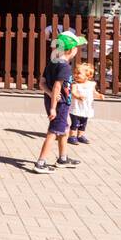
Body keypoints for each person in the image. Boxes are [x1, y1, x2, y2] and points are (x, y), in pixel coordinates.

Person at [33, 32, 87, 173]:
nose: (77, 50)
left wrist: (50, 95)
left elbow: (42, 83)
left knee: (64, 128)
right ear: (71, 50)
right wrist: (53, 107)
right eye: (76, 47)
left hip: (56, 103)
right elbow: (57, 86)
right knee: (53, 132)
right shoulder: (65, 67)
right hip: (59, 105)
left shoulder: (52, 63)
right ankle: (41, 162)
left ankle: (63, 158)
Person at [68, 61, 100, 145]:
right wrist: (78, 96)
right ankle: (72, 136)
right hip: (76, 107)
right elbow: (73, 93)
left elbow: (94, 93)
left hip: (86, 108)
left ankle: (80, 136)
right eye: (75, 73)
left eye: (79, 73)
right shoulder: (75, 84)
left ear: (88, 76)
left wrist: (99, 95)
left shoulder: (91, 84)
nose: (76, 75)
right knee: (75, 123)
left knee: (83, 123)